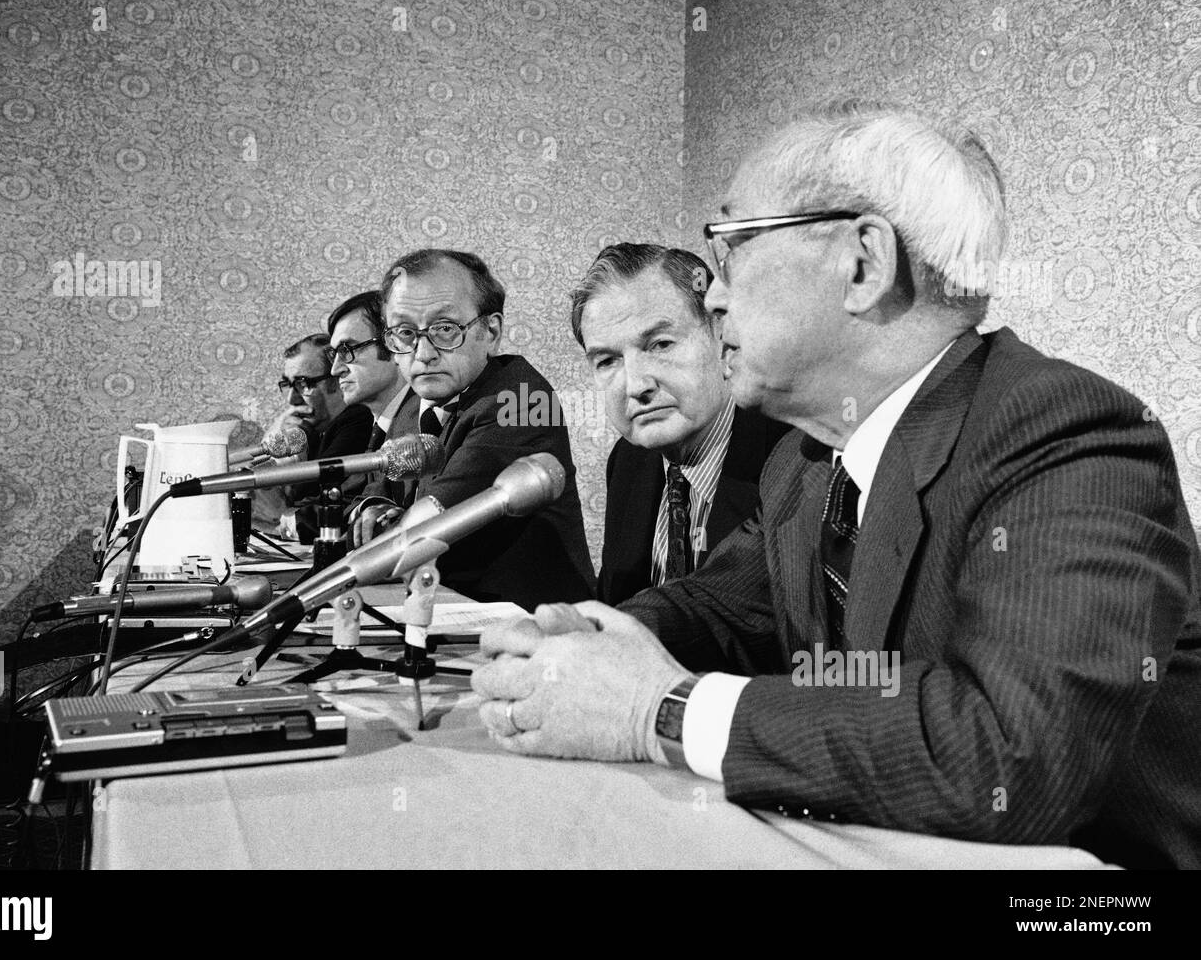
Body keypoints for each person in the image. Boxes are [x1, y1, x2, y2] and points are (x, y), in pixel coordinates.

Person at [472, 101, 1201, 869]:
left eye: (733, 247)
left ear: (863, 264)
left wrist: (658, 708)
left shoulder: (1065, 430)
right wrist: (574, 638)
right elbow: (715, 606)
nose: (715, 298)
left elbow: (1011, 753)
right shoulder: (808, 461)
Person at [360, 248, 595, 609]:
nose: (423, 353)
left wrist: (389, 526)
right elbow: (369, 497)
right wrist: (373, 509)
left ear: (491, 331)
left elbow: (424, 531)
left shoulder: (524, 400)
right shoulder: (412, 403)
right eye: (405, 333)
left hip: (530, 623)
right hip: (437, 608)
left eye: (444, 329)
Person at [571, 243, 790, 604]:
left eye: (660, 345)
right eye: (608, 361)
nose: (637, 385)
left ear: (722, 339)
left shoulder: (792, 457)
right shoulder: (628, 460)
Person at [271, 332, 372, 541]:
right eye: (288, 385)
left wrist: (293, 457)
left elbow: (306, 503)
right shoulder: (317, 428)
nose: (292, 398)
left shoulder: (358, 420)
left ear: (336, 379)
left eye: (303, 384)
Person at [327, 291, 420, 510]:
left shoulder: (422, 421)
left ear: (394, 345)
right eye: (334, 354)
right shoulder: (383, 425)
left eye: (347, 350)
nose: (335, 369)